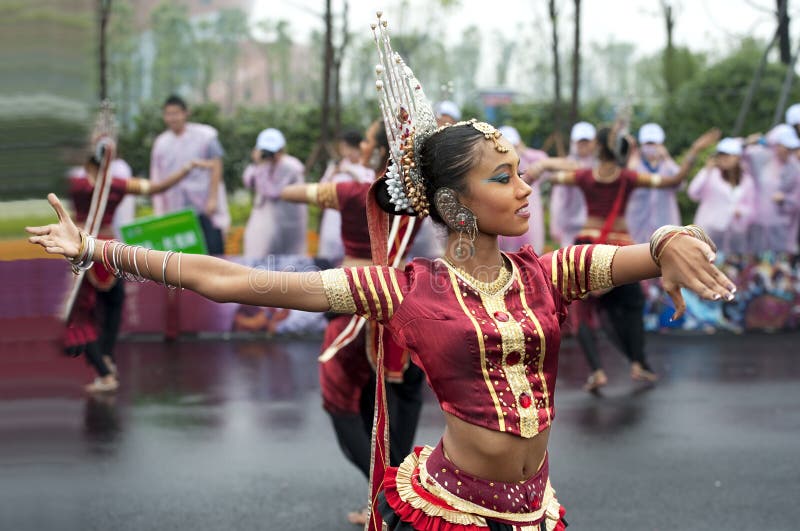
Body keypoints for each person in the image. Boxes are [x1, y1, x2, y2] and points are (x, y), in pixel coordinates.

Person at [29, 15, 735, 531]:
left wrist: (672, 239)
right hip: (450, 512)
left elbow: (643, 252)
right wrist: (99, 248)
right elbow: (232, 278)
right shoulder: (400, 287)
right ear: (455, 204)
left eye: (522, 174)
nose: (525, 189)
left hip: (539, 509)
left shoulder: (548, 272)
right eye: (503, 177)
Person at [280, 120, 424, 526]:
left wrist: (336, 178)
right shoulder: (420, 201)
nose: (361, 144)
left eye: (367, 140)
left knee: (341, 399)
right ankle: (395, 498)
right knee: (395, 398)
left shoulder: (350, 193)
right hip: (400, 304)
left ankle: (390, 497)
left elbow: (287, 193)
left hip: (353, 300)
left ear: (374, 152)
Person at [531, 125, 721, 392]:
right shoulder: (629, 178)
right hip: (618, 246)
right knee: (632, 306)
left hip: (587, 245)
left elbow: (550, 178)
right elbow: (674, 180)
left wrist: (546, 165)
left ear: (598, 148)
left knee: (581, 310)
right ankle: (638, 363)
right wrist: (694, 151)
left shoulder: (584, 176)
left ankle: (596, 371)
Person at [66, 154, 209, 392]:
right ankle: (107, 359)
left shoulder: (76, 186)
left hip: (85, 250)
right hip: (110, 250)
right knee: (114, 306)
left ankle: (104, 370)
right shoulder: (116, 184)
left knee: (81, 316)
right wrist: (186, 167)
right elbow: (157, 187)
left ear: (87, 164)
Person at [150, 95, 229, 255]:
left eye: (176, 113)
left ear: (186, 113)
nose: (173, 118)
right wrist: (159, 208)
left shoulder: (205, 135)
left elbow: (216, 163)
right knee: (182, 258)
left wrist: (213, 199)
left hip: (204, 206)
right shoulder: (161, 143)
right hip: (176, 209)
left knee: (213, 252)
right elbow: (156, 176)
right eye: (168, 114)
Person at [241, 128, 307, 258]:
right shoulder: (259, 165)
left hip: (289, 221)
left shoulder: (290, 166)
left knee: (289, 260)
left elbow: (273, 192)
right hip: (267, 218)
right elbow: (248, 181)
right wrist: (258, 164)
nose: (270, 155)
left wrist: (262, 167)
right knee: (260, 253)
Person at [317, 129, 377, 265]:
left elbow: (367, 188)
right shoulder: (336, 166)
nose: (345, 152)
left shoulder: (367, 167)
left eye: (347, 148)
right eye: (342, 148)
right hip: (333, 217)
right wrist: (333, 173)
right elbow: (322, 188)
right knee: (329, 258)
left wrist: (350, 172)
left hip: (354, 219)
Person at [687, 138, 756, 255]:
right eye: (721, 155)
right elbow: (693, 193)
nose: (723, 159)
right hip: (706, 232)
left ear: (737, 157)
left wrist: (741, 212)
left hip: (732, 235)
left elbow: (752, 207)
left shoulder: (747, 181)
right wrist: (706, 170)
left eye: (727, 155)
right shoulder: (711, 174)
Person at [743, 124, 800, 254]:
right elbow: (737, 155)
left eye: (789, 147)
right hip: (756, 226)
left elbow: (796, 200)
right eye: (783, 146)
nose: (786, 150)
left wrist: (784, 199)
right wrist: (748, 142)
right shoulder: (760, 159)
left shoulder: (794, 169)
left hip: (782, 231)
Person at [625, 123, 682, 244]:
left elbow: (681, 184)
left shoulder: (667, 165)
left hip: (665, 226)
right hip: (637, 226)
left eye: (654, 144)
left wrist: (667, 158)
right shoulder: (635, 164)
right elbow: (625, 184)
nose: (650, 147)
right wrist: (631, 163)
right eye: (647, 143)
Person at [497, 125, 547, 254]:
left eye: (514, 146)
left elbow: (544, 160)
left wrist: (525, 152)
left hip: (529, 221)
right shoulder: (496, 169)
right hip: (505, 224)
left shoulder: (530, 161)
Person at [549, 122, 594, 247]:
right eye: (580, 141)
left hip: (595, 227)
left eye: (586, 141)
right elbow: (559, 199)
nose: (583, 145)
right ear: (574, 143)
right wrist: (556, 226)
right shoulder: (565, 165)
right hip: (570, 228)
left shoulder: (601, 166)